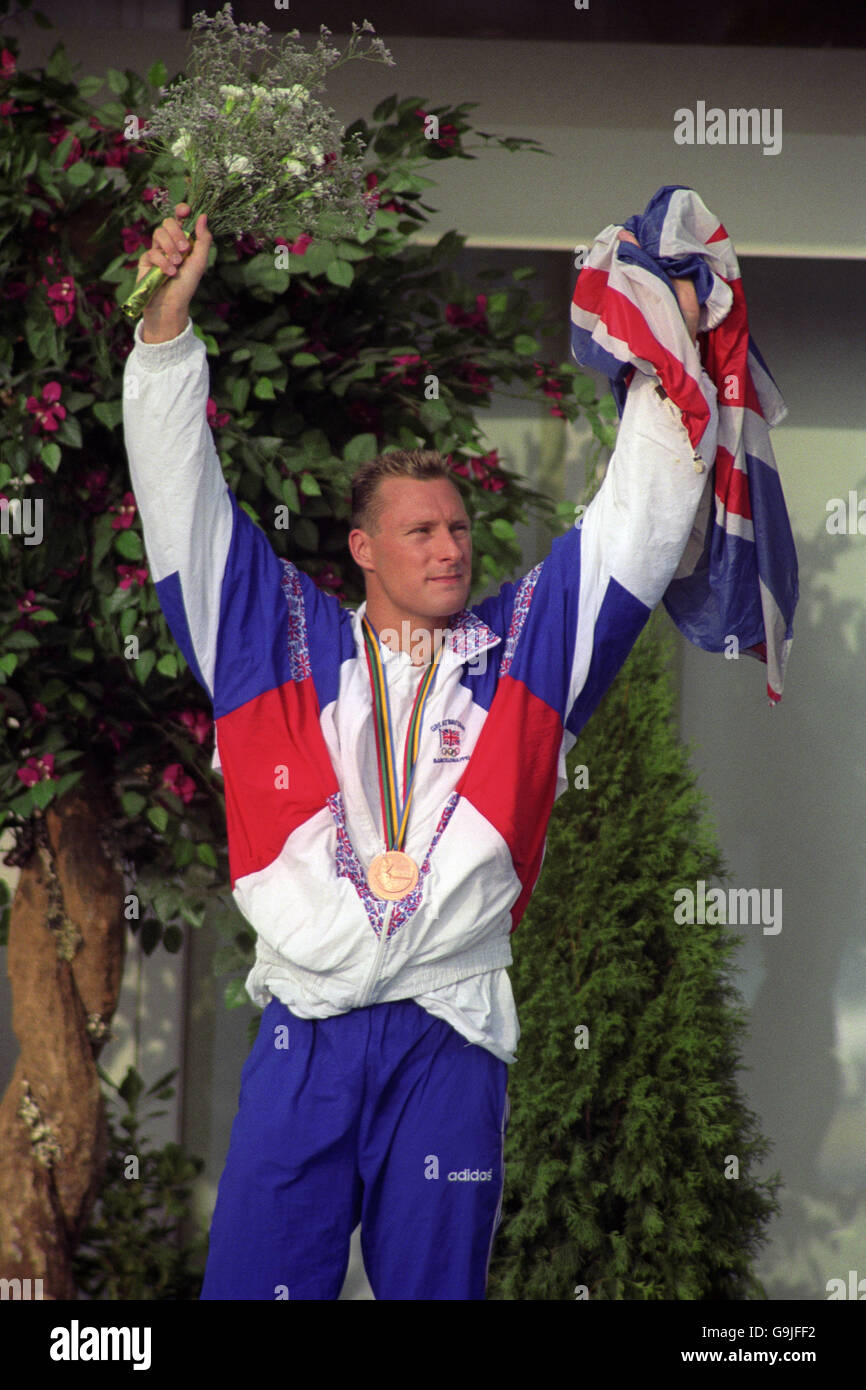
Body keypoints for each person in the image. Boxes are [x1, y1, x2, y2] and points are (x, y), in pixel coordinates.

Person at [122, 202, 715, 1301]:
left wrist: (666, 348)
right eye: (419, 532)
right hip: (307, 1030)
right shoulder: (274, 644)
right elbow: (184, 505)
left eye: (457, 528)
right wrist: (164, 326)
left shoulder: (521, 656)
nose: (449, 548)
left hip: (449, 1033)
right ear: (362, 551)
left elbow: (630, 523)